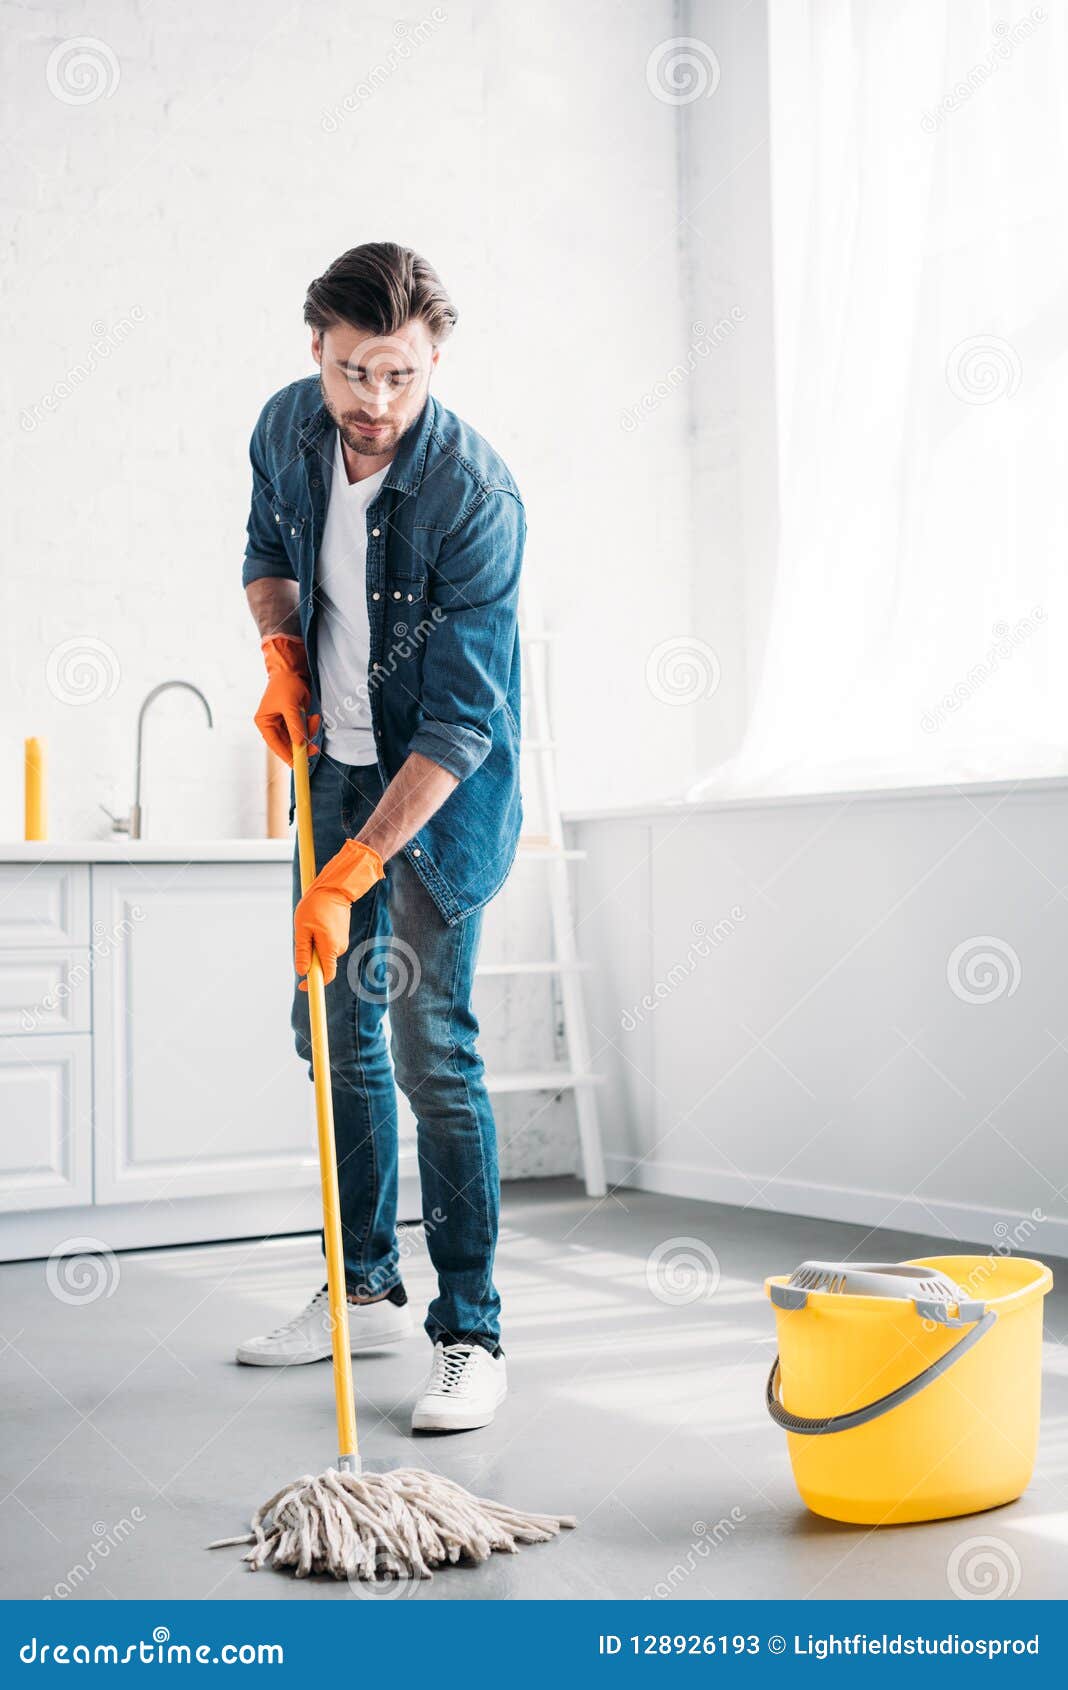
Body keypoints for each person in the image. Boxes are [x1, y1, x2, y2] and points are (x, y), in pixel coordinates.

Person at [238, 242, 524, 1432]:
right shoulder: (286, 430)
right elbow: (266, 551)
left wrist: (354, 869)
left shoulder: (473, 493)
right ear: (318, 350)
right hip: (337, 769)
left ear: (434, 360)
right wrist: (282, 656)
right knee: (333, 1038)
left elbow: (461, 723)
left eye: (400, 376)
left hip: (433, 800)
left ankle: (470, 1332)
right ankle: (360, 1290)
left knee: (429, 1055)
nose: (375, 402)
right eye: (356, 373)